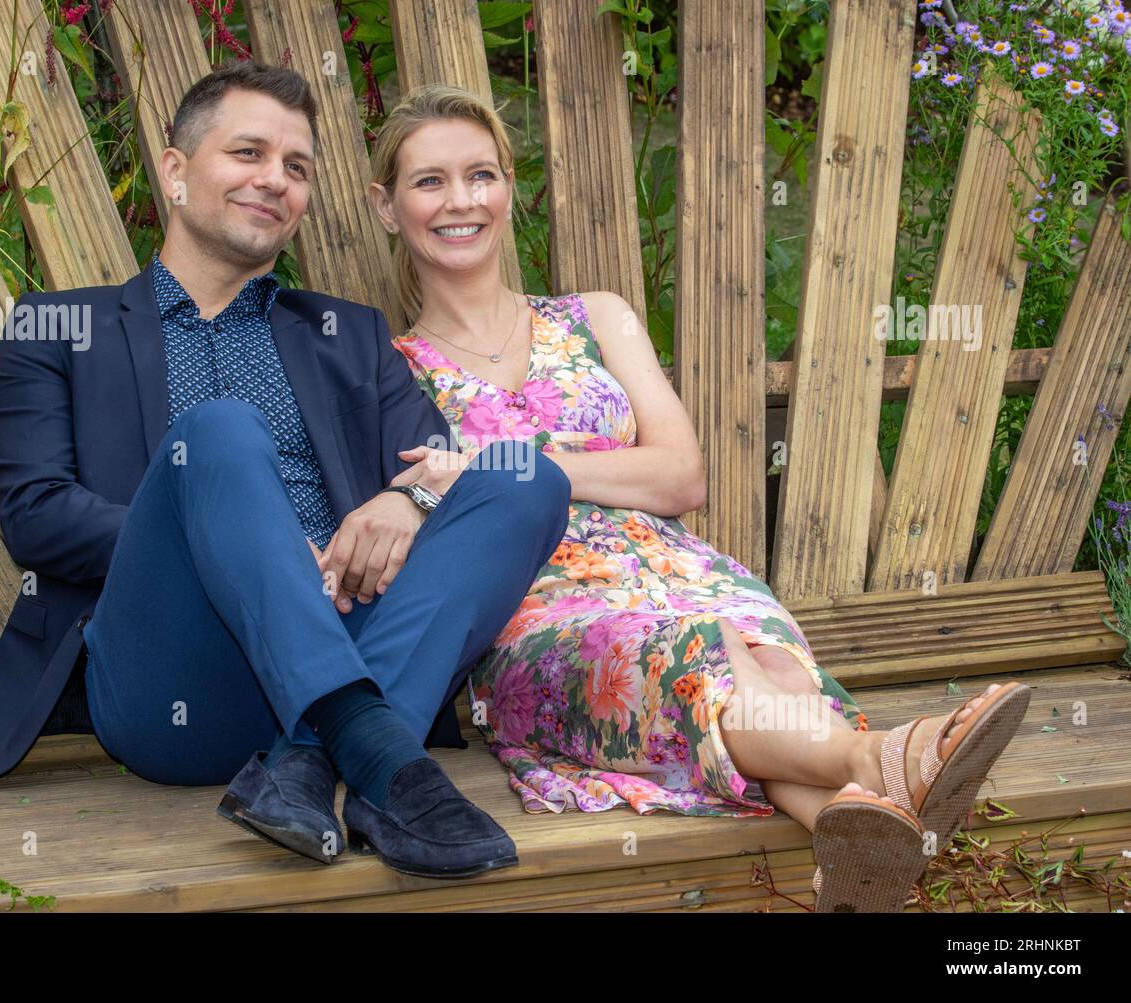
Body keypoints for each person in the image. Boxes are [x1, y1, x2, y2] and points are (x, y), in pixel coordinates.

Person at [367, 84, 1032, 911]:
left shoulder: (596, 317)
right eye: (429, 181)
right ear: (387, 206)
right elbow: (406, 525)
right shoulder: (384, 368)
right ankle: (882, 761)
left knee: (773, 663)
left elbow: (682, 475)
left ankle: (849, 846)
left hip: (679, 566)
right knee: (703, 668)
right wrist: (576, 469)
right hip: (534, 605)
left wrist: (512, 464)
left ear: (508, 185)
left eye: (481, 174)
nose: (460, 200)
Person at [0, 63, 574, 881]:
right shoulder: (60, 327)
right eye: (248, 152)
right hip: (179, 676)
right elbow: (34, 512)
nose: (274, 179)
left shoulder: (347, 334)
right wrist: (267, 549)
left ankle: (311, 760)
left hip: (359, 642)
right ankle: (382, 758)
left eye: (297, 167)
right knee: (216, 432)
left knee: (528, 475)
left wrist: (406, 500)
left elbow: (444, 466)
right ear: (175, 171)